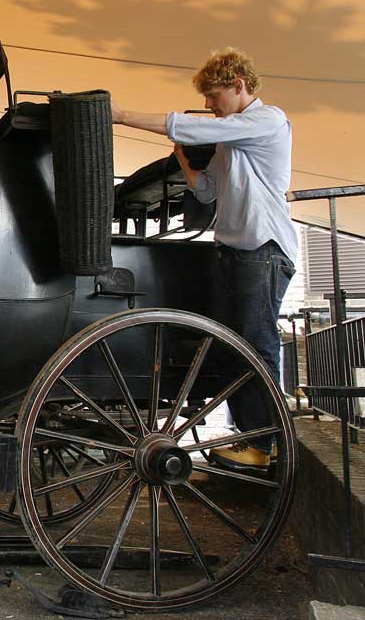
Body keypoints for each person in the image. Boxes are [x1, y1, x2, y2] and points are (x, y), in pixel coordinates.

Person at [112, 48, 297, 470]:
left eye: (214, 95)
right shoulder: (230, 139)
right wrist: (181, 156)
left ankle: (267, 443)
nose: (210, 104)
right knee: (235, 347)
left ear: (239, 85)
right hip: (235, 250)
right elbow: (207, 190)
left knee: (257, 344)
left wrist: (123, 116)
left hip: (264, 249)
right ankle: (252, 440)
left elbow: (192, 125)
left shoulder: (268, 120)